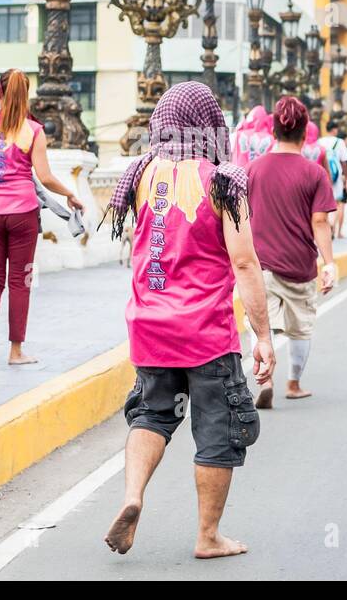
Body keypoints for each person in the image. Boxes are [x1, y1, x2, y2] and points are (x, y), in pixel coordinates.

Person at [104, 81, 274, 559]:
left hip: (149, 327)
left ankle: (133, 496)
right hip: (206, 333)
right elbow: (244, 263)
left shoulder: (139, 172)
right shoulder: (224, 179)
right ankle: (207, 536)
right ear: (210, 123)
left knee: (152, 414)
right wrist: (263, 335)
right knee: (217, 430)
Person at [0, 69, 84, 366]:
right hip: (22, 214)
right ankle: (16, 352)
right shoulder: (33, 131)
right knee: (20, 281)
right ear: (26, 93)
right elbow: (44, 176)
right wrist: (70, 194)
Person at [248, 96, 337, 405]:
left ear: (273, 131)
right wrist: (329, 263)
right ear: (304, 133)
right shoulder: (314, 173)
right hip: (299, 265)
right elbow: (321, 221)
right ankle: (294, 383)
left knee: (260, 324)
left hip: (260, 265)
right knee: (300, 328)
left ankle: (265, 380)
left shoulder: (252, 169)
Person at [322, 119, 347, 238]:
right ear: (334, 130)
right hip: (336, 176)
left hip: (322, 175)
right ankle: (332, 225)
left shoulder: (320, 141)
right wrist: (346, 176)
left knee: (323, 203)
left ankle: (327, 226)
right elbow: (344, 161)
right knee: (337, 203)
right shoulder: (339, 142)